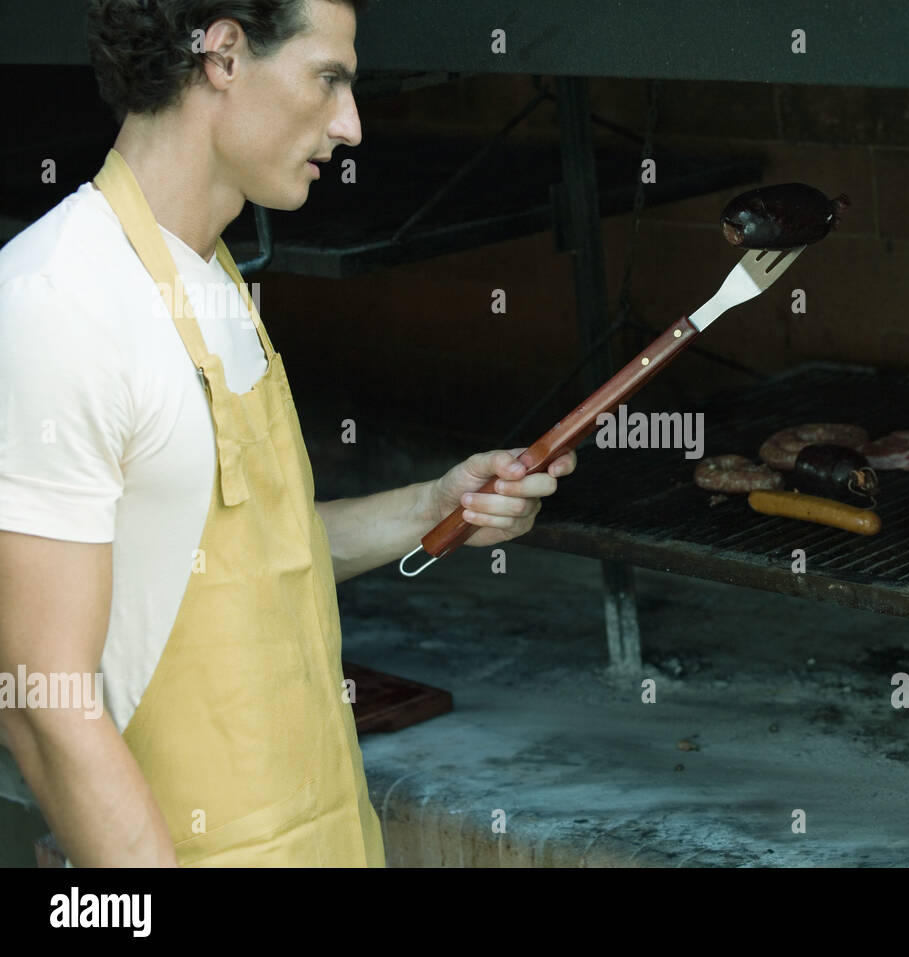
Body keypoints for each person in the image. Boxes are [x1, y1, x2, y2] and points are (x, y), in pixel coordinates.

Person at [0, 0, 575, 867]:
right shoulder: (57, 302)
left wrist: (433, 503)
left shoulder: (217, 279)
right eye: (328, 79)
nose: (349, 126)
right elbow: (42, 705)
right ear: (225, 55)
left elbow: (246, 553)